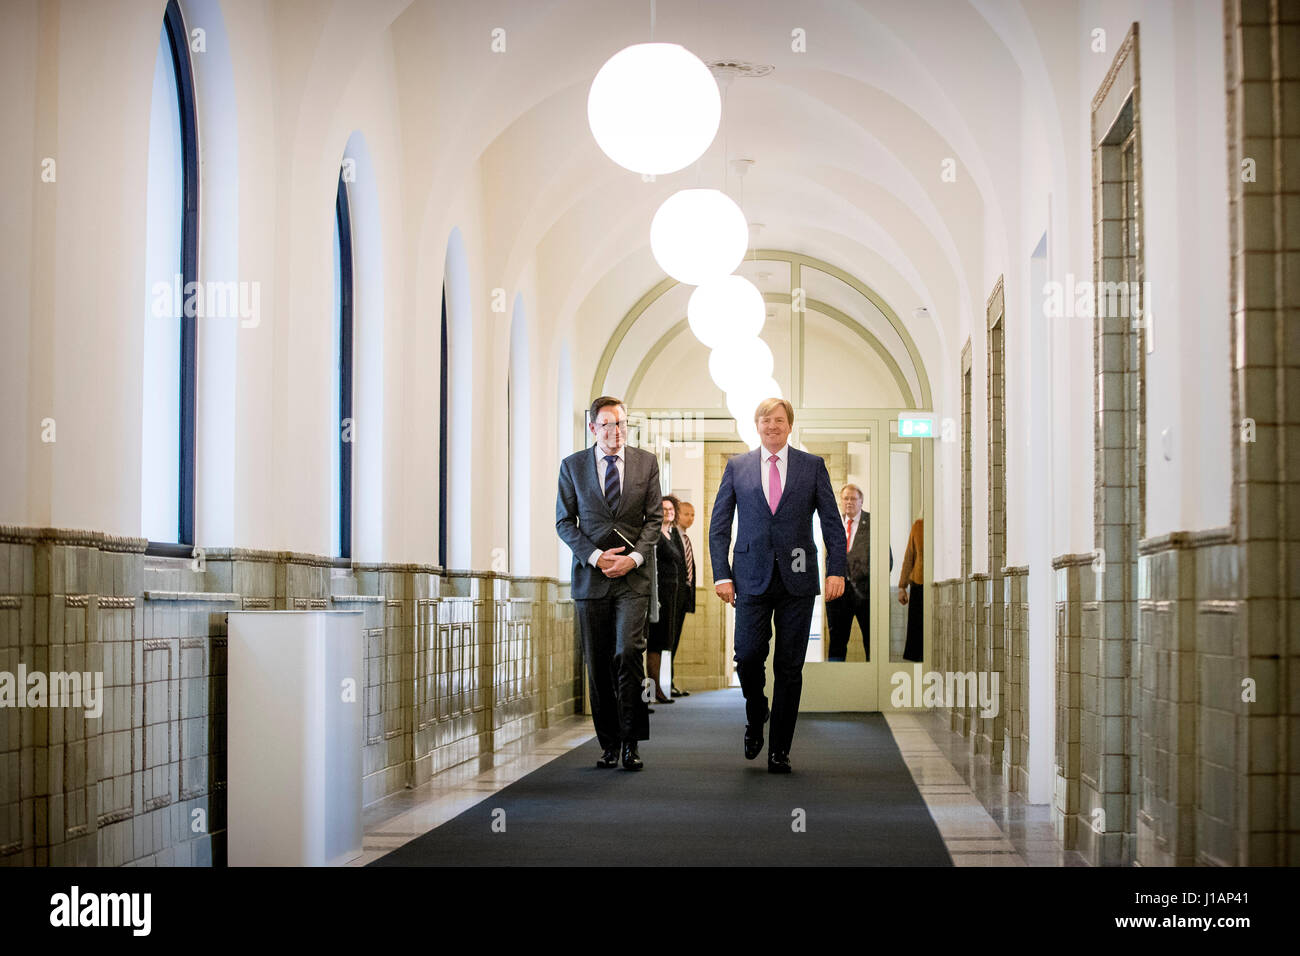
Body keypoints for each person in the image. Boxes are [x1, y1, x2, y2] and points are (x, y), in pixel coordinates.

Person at [709, 398, 846, 773]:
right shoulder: (737, 467)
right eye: (766, 420)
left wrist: (837, 570)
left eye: (779, 420)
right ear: (757, 425)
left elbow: (832, 523)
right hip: (750, 578)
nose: (772, 426)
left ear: (790, 426)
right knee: (748, 656)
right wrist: (722, 573)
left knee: (789, 666)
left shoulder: (811, 466)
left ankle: (779, 749)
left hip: (798, 580)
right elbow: (719, 525)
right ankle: (757, 711)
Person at [556, 396, 664, 771]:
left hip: (633, 579)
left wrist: (632, 559)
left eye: (620, 424)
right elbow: (564, 522)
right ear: (593, 428)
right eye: (607, 425)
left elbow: (653, 521)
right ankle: (609, 743)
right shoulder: (572, 466)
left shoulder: (646, 463)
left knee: (628, 653)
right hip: (591, 579)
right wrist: (595, 557)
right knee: (599, 662)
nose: (615, 432)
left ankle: (632, 742)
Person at [825, 484, 891, 661]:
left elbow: (887, 559)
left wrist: (868, 579)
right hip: (838, 597)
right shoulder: (833, 523)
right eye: (845, 498)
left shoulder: (873, 523)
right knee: (837, 643)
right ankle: (835, 680)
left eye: (853, 498)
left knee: (871, 643)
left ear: (861, 501)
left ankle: (873, 683)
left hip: (867, 595)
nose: (849, 502)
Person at [646, 495, 685, 704]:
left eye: (671, 509)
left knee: (662, 645)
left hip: (671, 598)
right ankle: (652, 691)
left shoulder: (672, 534)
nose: (668, 512)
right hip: (658, 598)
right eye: (663, 509)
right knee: (654, 644)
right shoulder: (655, 536)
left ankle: (658, 688)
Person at [669, 500, 697, 697]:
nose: (690, 518)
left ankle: (668, 683)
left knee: (675, 640)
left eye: (693, 514)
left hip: (683, 597)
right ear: (677, 514)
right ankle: (664, 684)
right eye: (686, 514)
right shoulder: (670, 536)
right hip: (671, 596)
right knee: (667, 642)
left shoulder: (685, 538)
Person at [898, 517, 924, 662]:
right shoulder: (918, 526)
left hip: (933, 585)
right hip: (918, 583)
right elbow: (909, 556)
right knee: (916, 632)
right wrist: (902, 586)